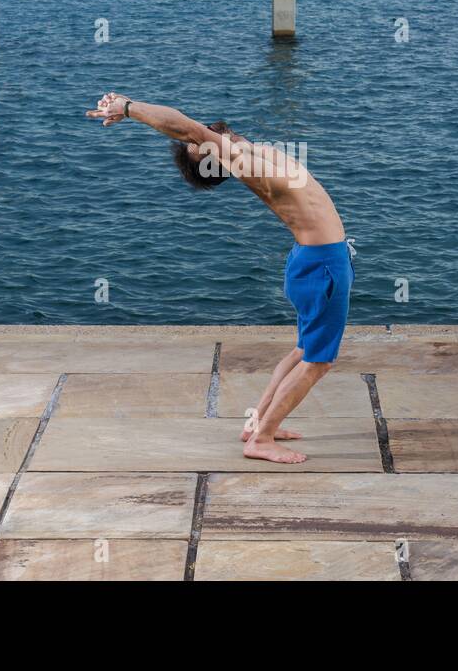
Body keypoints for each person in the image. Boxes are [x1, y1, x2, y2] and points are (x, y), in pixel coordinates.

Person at [85, 93, 353, 463]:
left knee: (304, 351)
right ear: (212, 159)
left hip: (315, 261)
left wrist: (132, 109)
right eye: (202, 142)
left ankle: (256, 424)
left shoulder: (248, 152)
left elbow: (190, 126)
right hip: (323, 265)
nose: (208, 134)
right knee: (319, 361)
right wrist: (129, 108)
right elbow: (183, 125)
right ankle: (262, 440)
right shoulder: (241, 160)